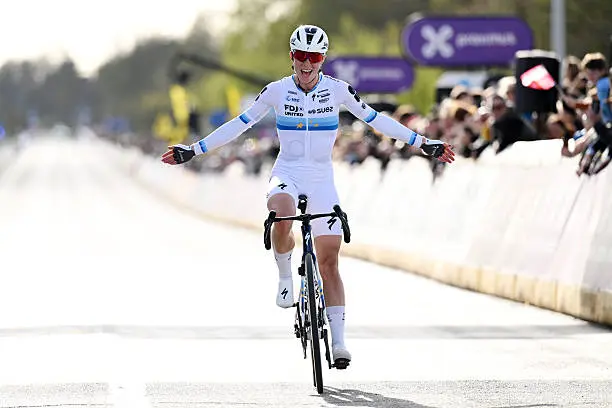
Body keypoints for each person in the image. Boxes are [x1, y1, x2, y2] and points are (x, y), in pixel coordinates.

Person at [161, 24, 455, 368]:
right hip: (287, 172)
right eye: (301, 56)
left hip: (321, 179)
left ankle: (339, 342)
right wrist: (193, 150)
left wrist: (423, 143)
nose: (307, 63)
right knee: (282, 212)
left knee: (329, 262)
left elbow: (377, 120)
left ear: (322, 60)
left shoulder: (338, 90)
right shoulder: (276, 91)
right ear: (292, 57)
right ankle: (285, 277)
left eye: (314, 57)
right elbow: (239, 124)